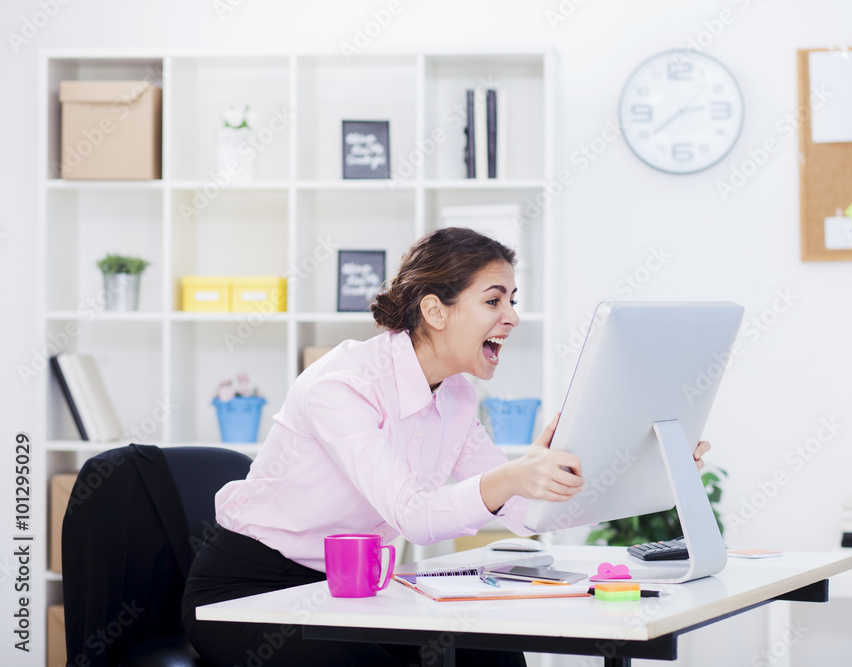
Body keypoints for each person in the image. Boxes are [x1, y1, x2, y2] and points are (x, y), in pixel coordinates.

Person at [182, 227, 711, 666]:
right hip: (250, 594)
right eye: (493, 300)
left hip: (351, 590)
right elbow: (414, 515)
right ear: (435, 310)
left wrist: (645, 470)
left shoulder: (456, 395)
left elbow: (524, 511)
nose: (512, 316)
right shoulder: (341, 387)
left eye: (512, 299)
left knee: (489, 651)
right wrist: (514, 474)